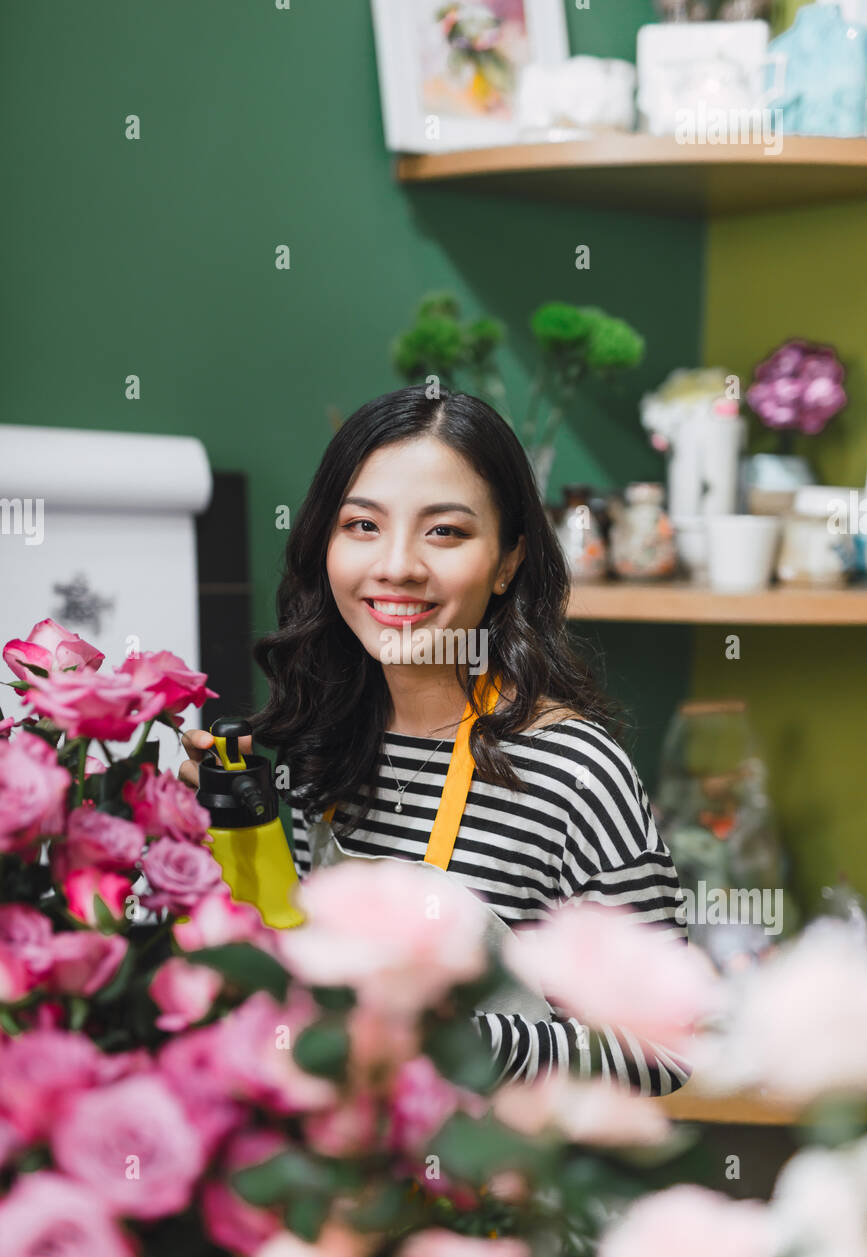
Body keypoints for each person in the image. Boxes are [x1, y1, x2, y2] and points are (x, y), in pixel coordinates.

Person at [180, 385, 691, 1094]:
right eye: (361, 526)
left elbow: (661, 1047)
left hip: (494, 1192)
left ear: (509, 560)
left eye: (444, 532)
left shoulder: (571, 772)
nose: (396, 566)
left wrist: (446, 1036)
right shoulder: (315, 747)